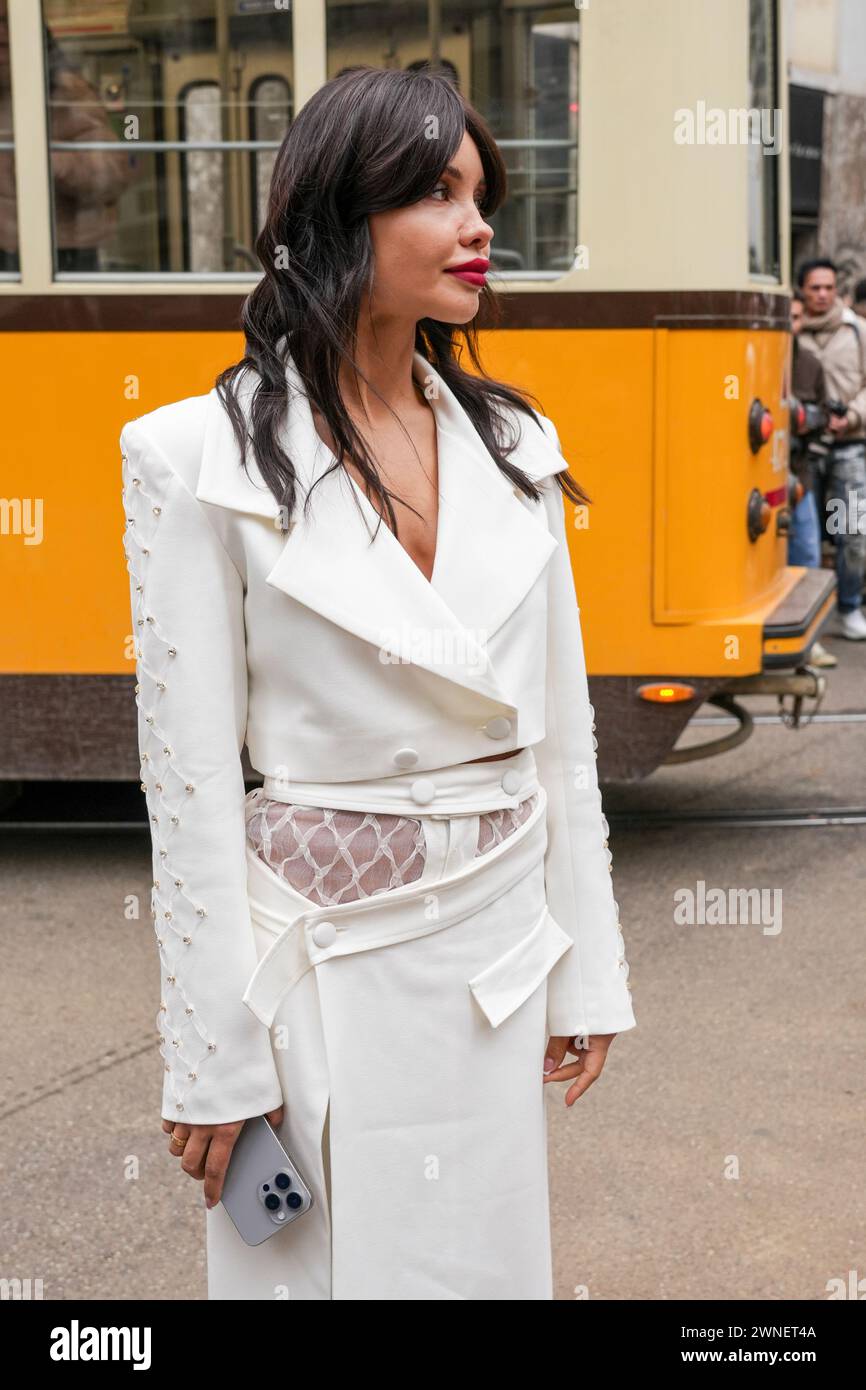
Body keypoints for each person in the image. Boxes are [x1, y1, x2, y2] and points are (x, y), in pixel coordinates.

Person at [120, 65, 635, 1301]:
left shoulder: (515, 448)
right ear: (342, 217)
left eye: (481, 195)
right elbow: (186, 788)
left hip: (494, 968)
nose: (478, 228)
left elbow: (558, 739)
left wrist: (589, 968)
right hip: (315, 982)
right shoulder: (191, 456)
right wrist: (211, 1059)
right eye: (438, 194)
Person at [796, 257, 866, 639]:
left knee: (852, 531)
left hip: (848, 450)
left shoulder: (856, 331)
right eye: (814, 288)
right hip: (806, 452)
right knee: (807, 537)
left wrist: (851, 416)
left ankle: (850, 605)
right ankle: (811, 619)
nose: (822, 295)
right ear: (803, 292)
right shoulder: (793, 331)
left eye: (828, 287)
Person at [788, 291, 837, 667]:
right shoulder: (745, 355)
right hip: (749, 479)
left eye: (795, 318)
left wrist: (806, 419)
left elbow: (824, 415)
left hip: (797, 473)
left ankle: (808, 641)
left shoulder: (808, 363)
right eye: (784, 316)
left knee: (806, 552)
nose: (789, 325)